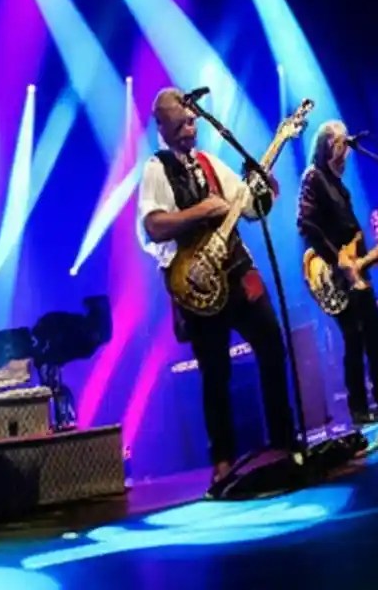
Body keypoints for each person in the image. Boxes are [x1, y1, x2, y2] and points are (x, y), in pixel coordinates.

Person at [137, 88, 296, 484]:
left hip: (237, 270)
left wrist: (265, 190)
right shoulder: (157, 169)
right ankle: (222, 462)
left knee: (272, 345)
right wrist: (201, 211)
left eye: (192, 122)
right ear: (162, 126)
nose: (189, 130)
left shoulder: (209, 163)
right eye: (180, 125)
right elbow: (153, 226)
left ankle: (283, 441)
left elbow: (249, 207)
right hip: (197, 282)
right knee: (215, 371)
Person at [297, 121, 378, 423]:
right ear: (328, 146)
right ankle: (358, 408)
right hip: (336, 272)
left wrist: (372, 255)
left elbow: (349, 230)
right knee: (354, 336)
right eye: (341, 143)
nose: (346, 149)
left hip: (357, 271)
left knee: (373, 331)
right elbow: (305, 224)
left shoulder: (337, 184)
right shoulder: (314, 178)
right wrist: (337, 259)